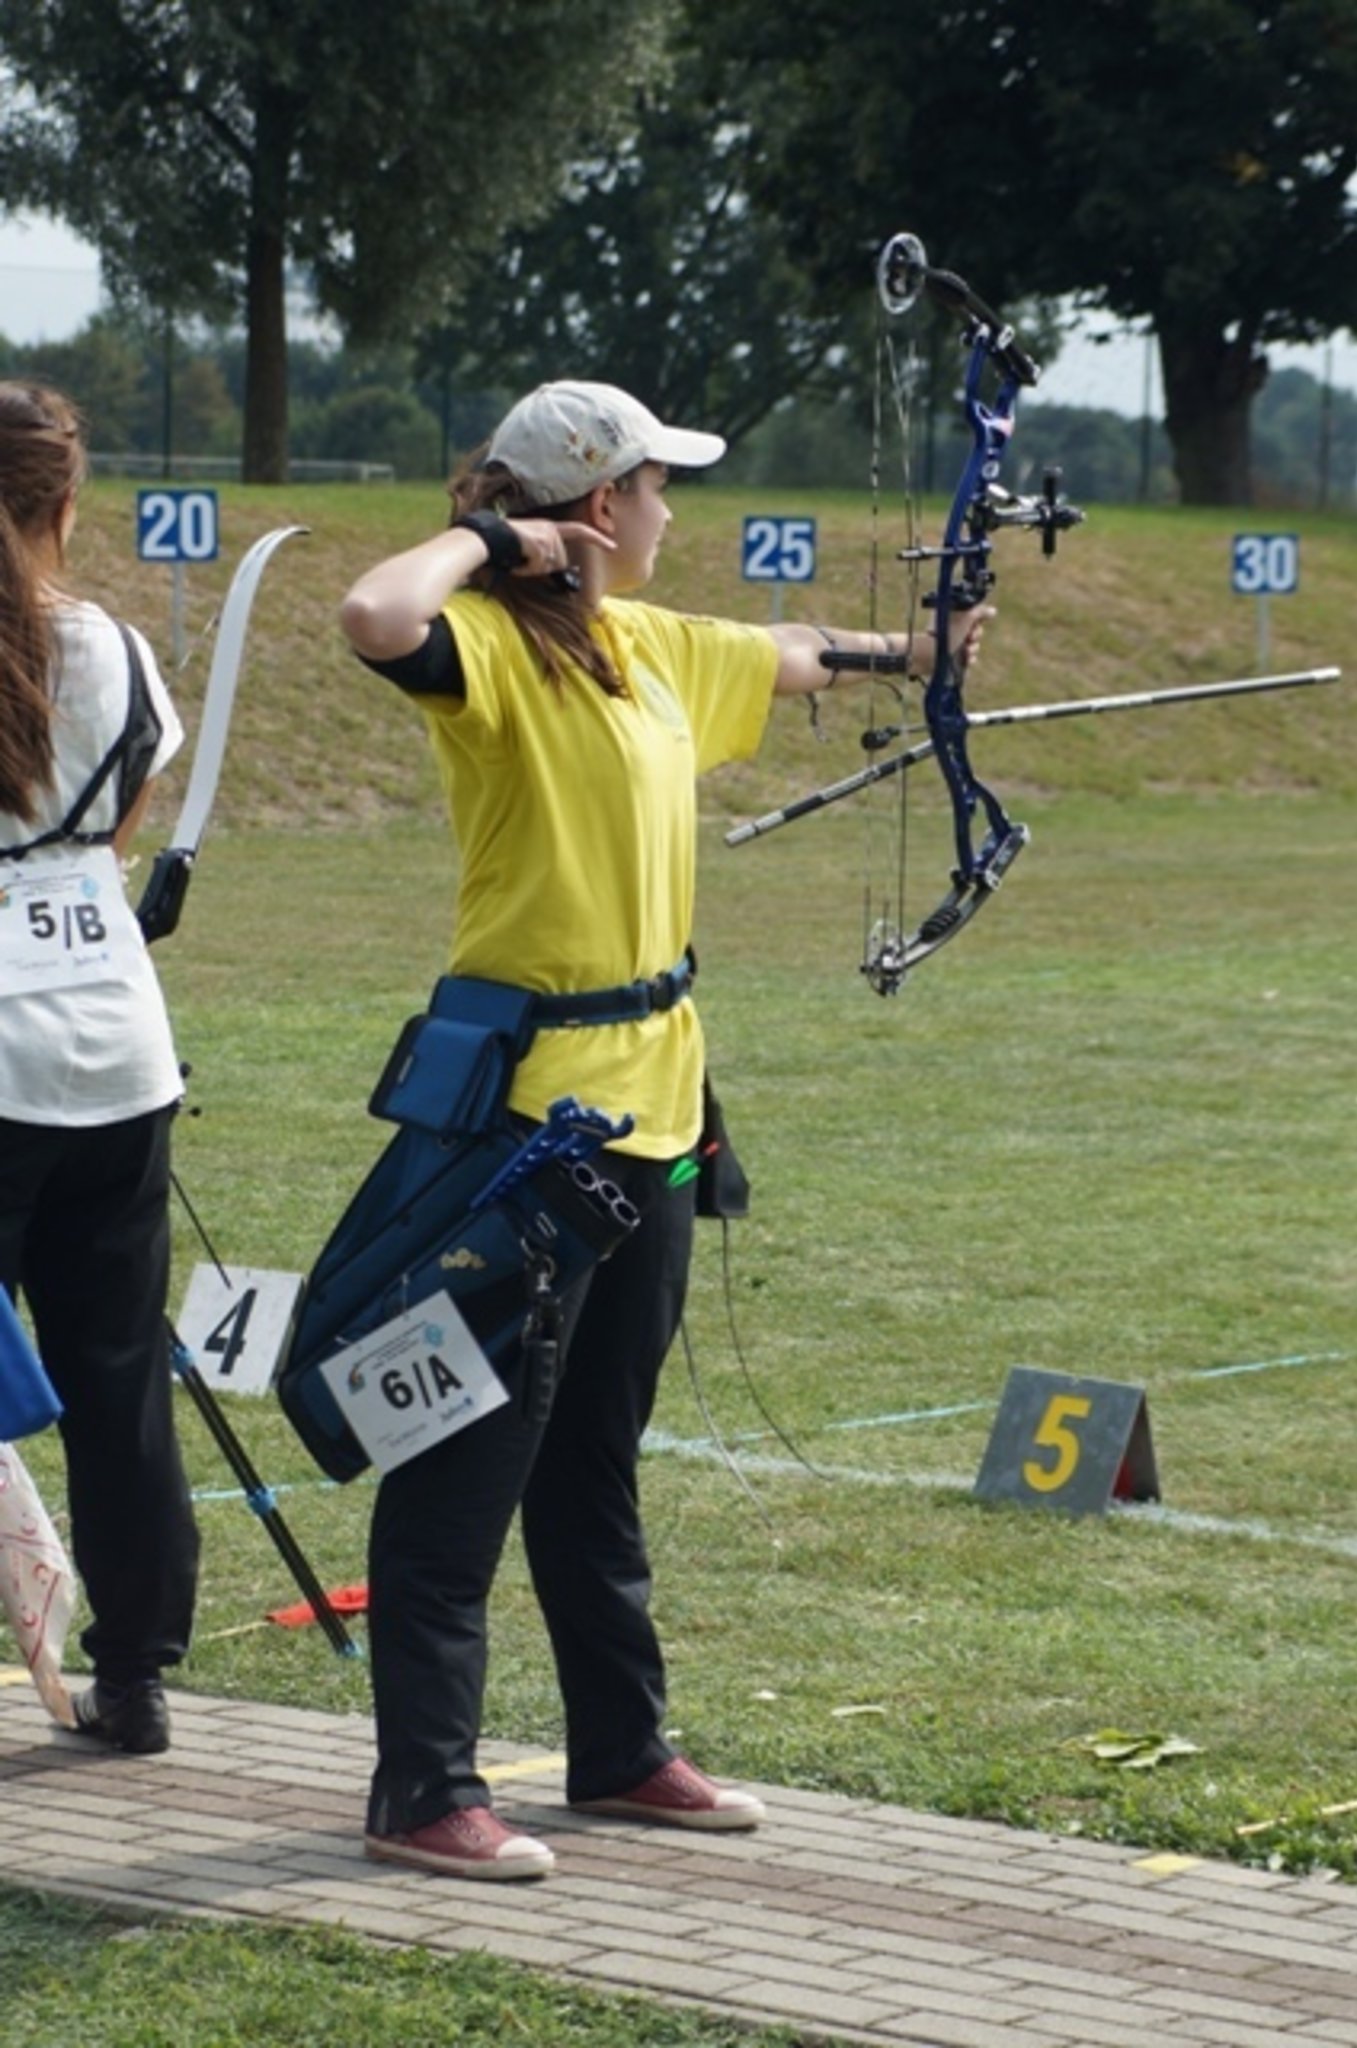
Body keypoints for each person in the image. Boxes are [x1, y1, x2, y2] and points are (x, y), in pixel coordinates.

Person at [339, 379, 989, 1881]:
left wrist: (927, 650)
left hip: (662, 1106)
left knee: (594, 1452)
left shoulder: (646, 643)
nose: (670, 512)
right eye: (654, 487)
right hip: (529, 1125)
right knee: (468, 1454)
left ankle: (619, 1751)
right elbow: (375, 614)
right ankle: (422, 1789)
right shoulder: (487, 645)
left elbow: (795, 651)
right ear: (595, 503)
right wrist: (497, 546)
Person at [0, 380, 199, 1755]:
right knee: (119, 1374)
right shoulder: (117, 648)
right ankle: (135, 1677)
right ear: (66, 505)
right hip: (116, 1048)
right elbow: (117, 827)